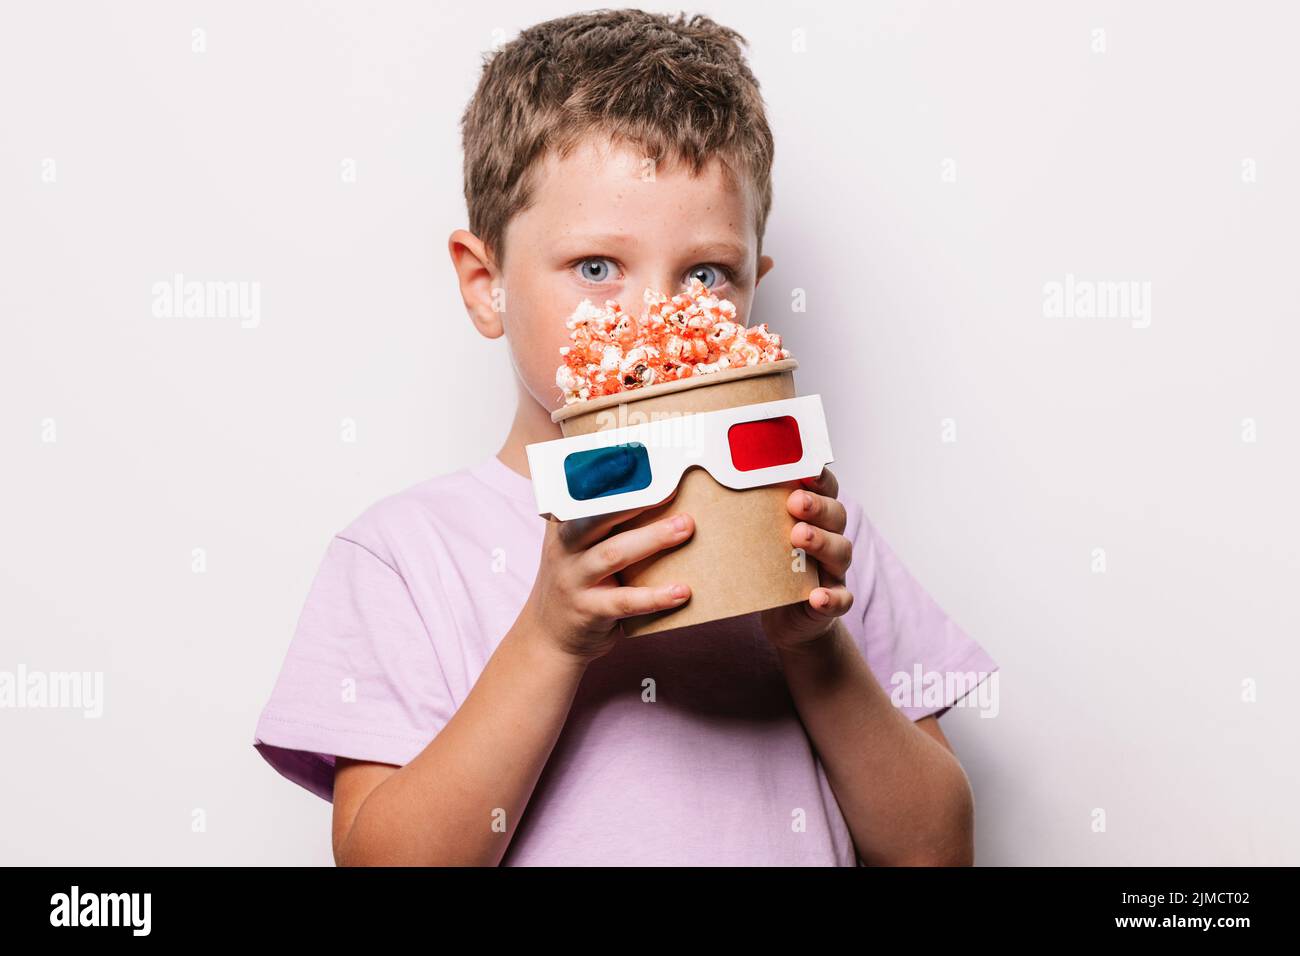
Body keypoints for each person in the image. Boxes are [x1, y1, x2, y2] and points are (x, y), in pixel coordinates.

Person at [253, 8, 998, 866]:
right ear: (485, 282)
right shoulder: (404, 558)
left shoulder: (822, 534)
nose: (657, 316)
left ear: (756, 281)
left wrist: (816, 647)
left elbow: (936, 851)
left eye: (707, 272)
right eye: (598, 268)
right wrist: (548, 637)